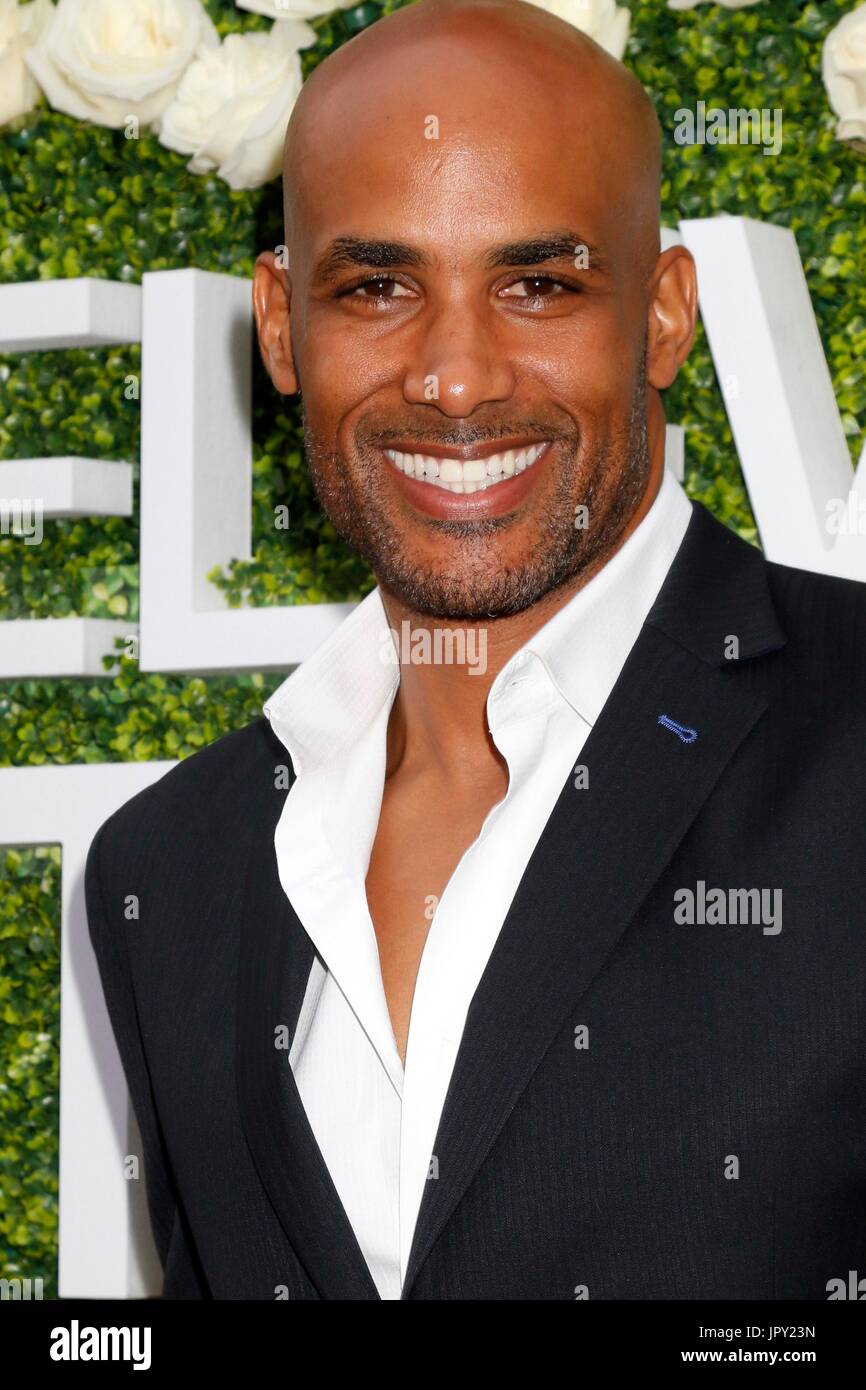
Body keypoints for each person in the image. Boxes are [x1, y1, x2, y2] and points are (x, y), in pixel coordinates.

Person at [86, 0, 866, 1300]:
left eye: (536, 285)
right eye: (378, 286)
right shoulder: (167, 869)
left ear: (664, 315)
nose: (454, 377)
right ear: (281, 327)